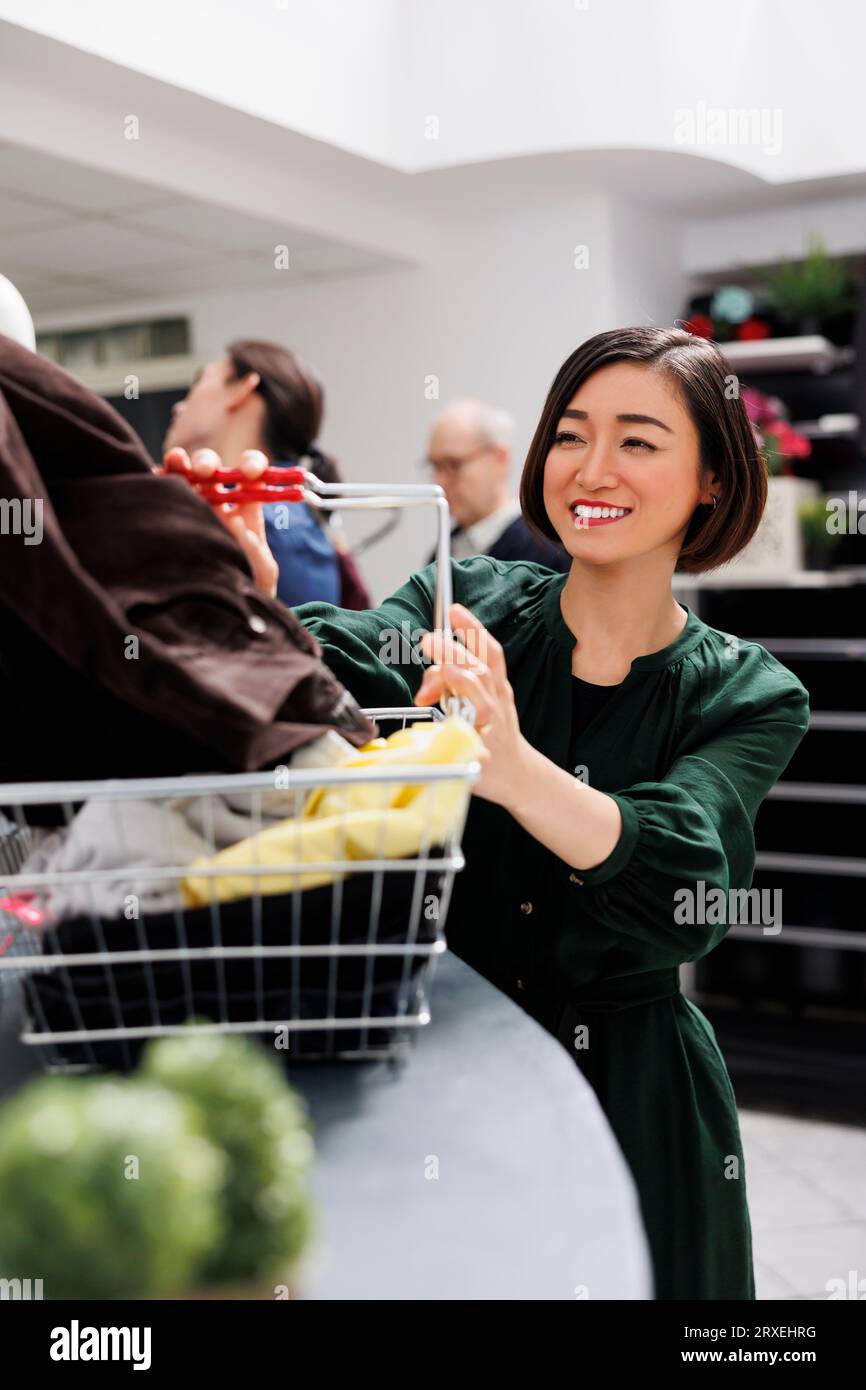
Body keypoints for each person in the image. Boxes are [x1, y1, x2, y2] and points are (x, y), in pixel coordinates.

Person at [191, 326, 810, 1301]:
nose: (589, 468)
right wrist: (251, 597)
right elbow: (328, 670)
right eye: (569, 434)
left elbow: (686, 875)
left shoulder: (744, 690)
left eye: (637, 441)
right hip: (454, 1064)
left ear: (711, 483)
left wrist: (514, 769)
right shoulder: (471, 598)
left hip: (637, 1093)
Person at [163, 339, 371, 608]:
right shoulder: (302, 517)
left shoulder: (257, 524)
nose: (178, 406)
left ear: (242, 389)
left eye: (198, 384)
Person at [422, 398, 570, 570]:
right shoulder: (442, 553)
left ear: (500, 458)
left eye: (453, 465)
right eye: (435, 466)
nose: (439, 482)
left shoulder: (543, 550)